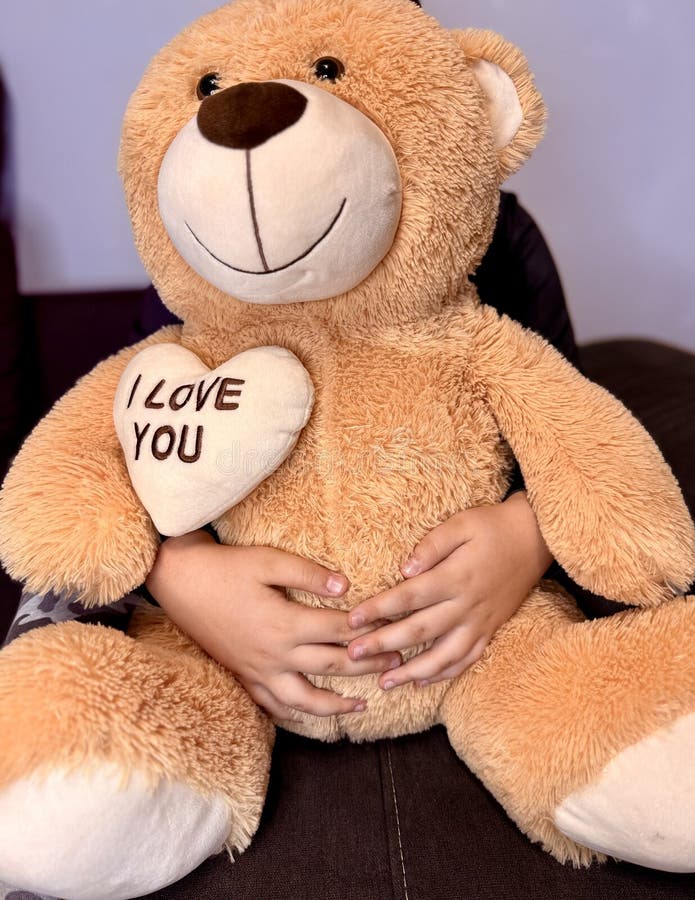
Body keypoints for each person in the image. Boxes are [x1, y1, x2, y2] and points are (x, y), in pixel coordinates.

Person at [139, 190, 580, 722]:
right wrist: (176, 571)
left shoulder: (492, 225)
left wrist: (530, 532)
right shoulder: (196, 238)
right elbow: (126, 450)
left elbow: (576, 431)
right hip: (239, 653)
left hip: (481, 646)